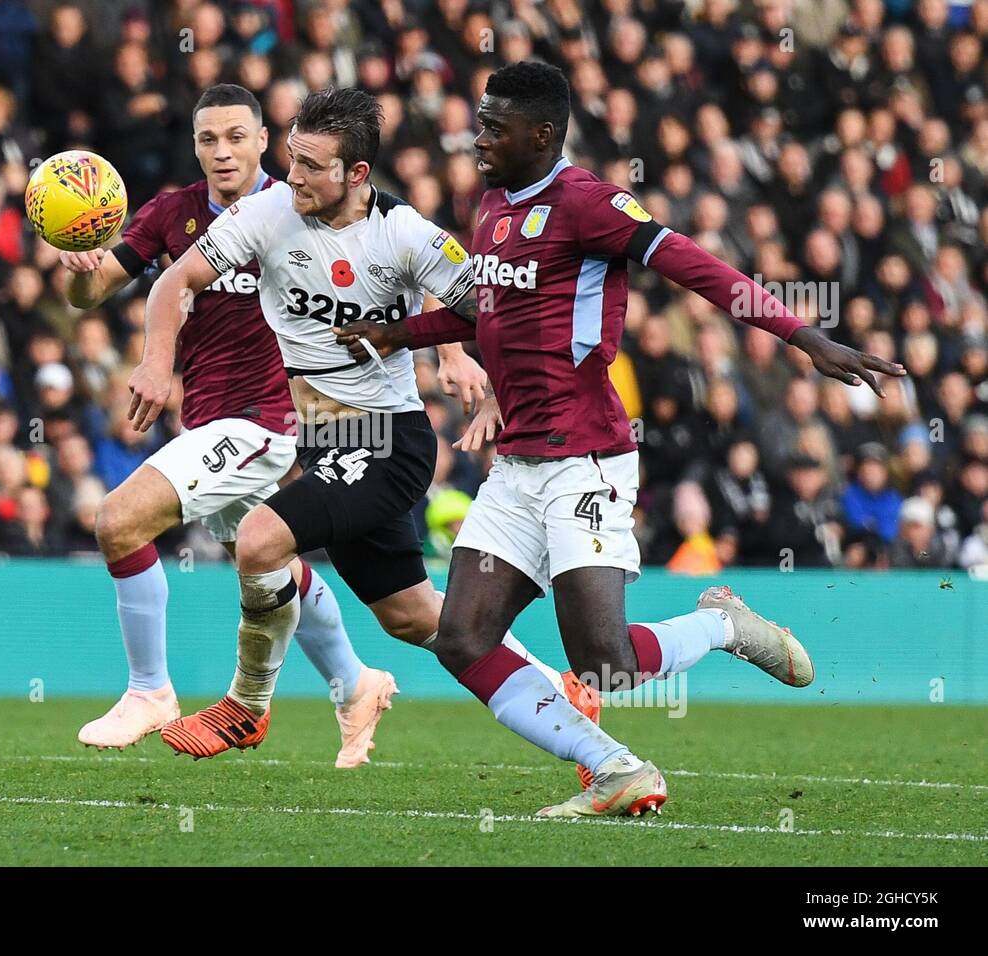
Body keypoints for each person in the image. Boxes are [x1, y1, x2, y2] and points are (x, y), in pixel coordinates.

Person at [337, 62, 905, 816]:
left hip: (588, 459)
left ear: (542, 134)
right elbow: (489, 311)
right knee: (461, 637)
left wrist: (801, 335)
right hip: (516, 468)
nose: (476, 138)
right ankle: (615, 767)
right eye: (480, 121)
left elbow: (698, 268)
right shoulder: (495, 206)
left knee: (602, 664)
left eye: (493, 127)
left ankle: (719, 624)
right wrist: (397, 333)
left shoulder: (591, 204)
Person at [131, 86, 572, 762]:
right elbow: (174, 283)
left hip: (388, 441)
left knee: (258, 539)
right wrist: (158, 364)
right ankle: (561, 691)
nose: (294, 178)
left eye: (312, 166)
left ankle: (246, 706)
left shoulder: (406, 233)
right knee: (414, 618)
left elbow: (498, 312)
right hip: (327, 440)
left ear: (357, 174)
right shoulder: (267, 213)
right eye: (292, 159)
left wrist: (482, 384)